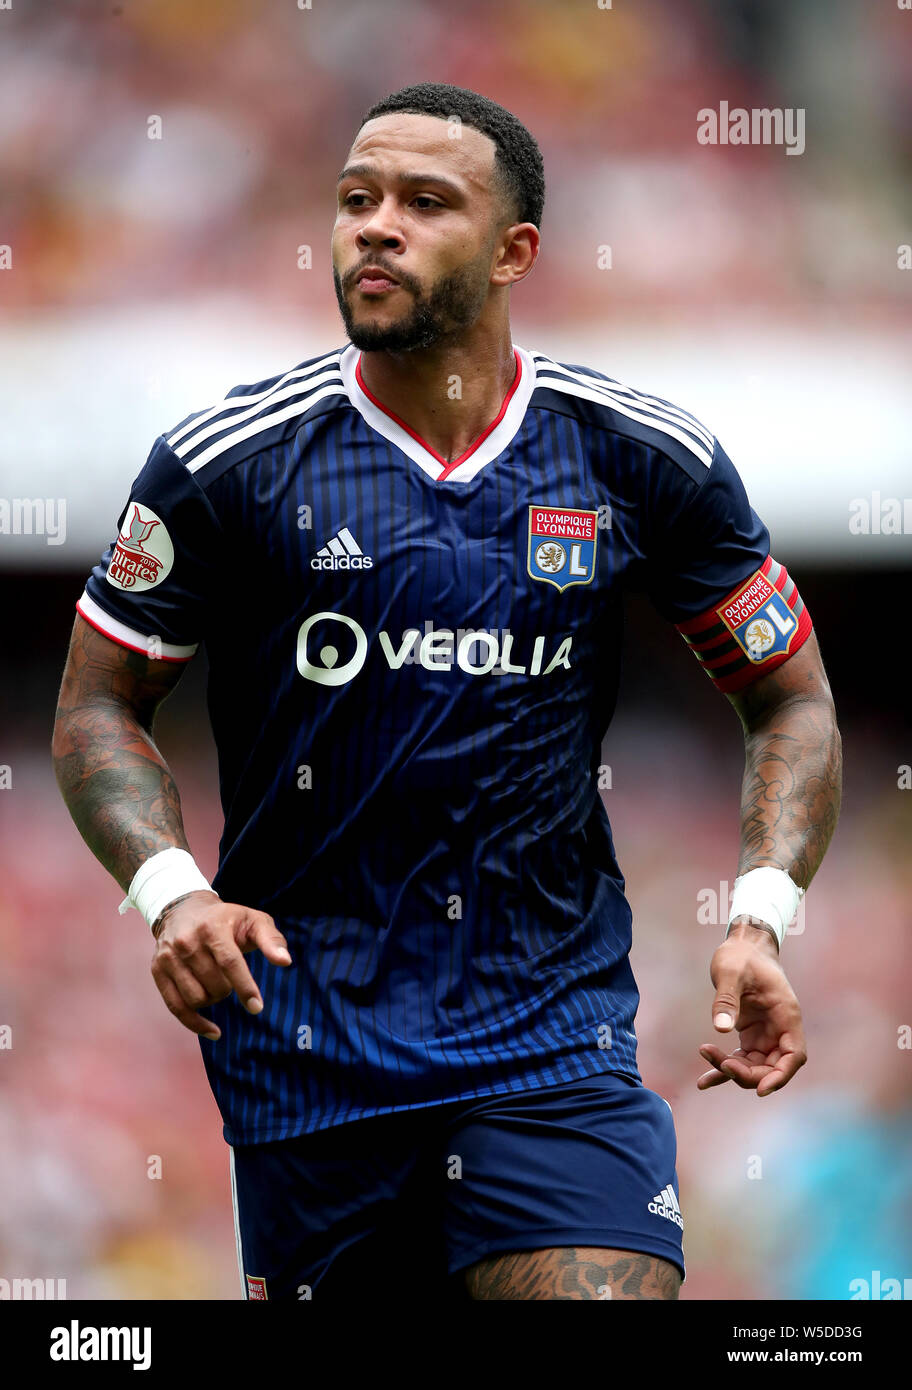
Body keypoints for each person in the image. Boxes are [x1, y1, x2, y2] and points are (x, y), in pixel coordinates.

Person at [52, 82, 842, 1302]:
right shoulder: (226, 466)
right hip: (310, 1050)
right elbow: (97, 703)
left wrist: (760, 917)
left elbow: (791, 698)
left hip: (550, 1041)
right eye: (355, 198)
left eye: (425, 202)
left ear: (515, 250)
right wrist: (171, 894)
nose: (376, 225)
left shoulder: (636, 455)